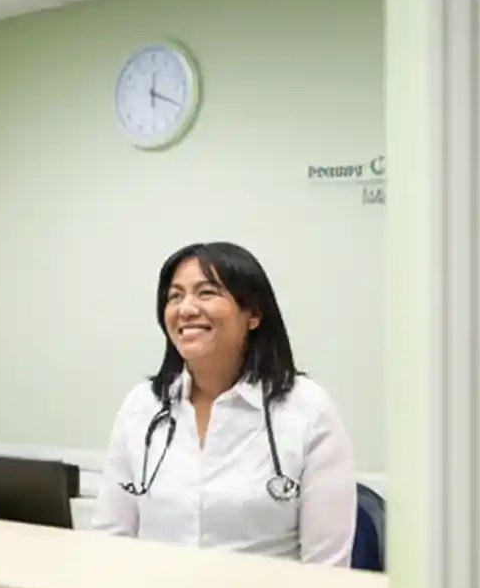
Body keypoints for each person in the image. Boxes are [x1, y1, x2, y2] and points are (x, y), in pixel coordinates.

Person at [91, 242, 356, 566]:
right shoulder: (142, 406)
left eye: (206, 293)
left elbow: (326, 567)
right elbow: (110, 538)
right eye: (175, 296)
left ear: (253, 314)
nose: (185, 309)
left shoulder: (307, 409)